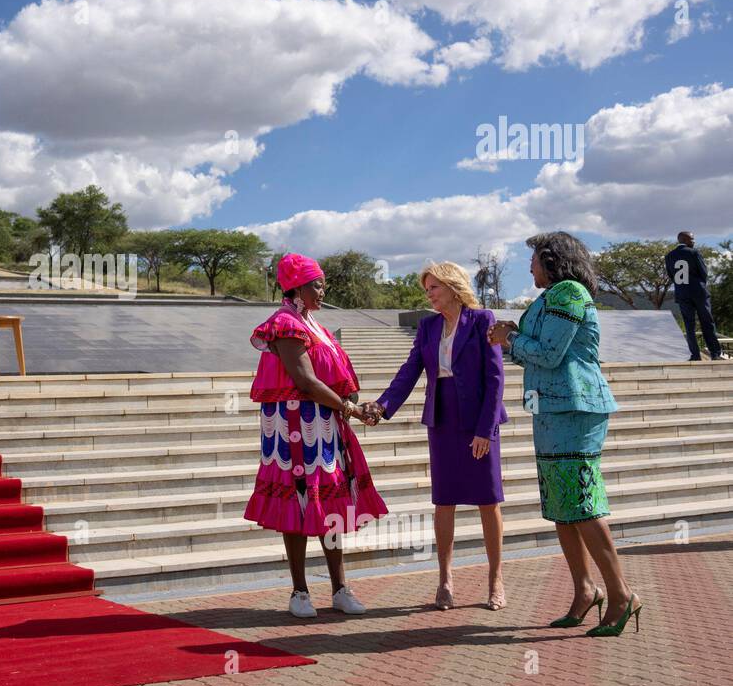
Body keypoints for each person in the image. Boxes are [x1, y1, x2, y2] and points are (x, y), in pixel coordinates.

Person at [489, 231, 640, 637]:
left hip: (577, 407)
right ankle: (585, 591)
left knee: (582, 502)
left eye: (536, 260)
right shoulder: (547, 298)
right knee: (560, 506)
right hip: (551, 409)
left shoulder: (569, 292)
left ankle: (622, 594)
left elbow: (550, 353)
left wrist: (511, 339)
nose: (531, 267)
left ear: (555, 261)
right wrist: (511, 337)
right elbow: (539, 347)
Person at [245, 252, 388, 618]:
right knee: (298, 502)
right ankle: (299, 592)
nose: (323, 289)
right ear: (298, 286)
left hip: (325, 425)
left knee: (329, 505)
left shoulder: (314, 325)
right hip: (294, 427)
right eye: (318, 284)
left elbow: (337, 378)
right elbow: (305, 381)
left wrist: (358, 404)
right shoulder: (284, 324)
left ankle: (340, 588)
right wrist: (351, 408)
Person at [362, 262, 509, 611]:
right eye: (427, 289)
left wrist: (485, 430)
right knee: (444, 501)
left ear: (453, 287)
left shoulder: (483, 320)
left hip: (478, 419)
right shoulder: (427, 326)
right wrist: (382, 406)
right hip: (441, 418)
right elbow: (410, 371)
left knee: (488, 500)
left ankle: (496, 579)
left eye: (434, 288)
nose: (429, 295)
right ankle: (445, 579)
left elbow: (495, 379)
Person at [664, 231, 724, 361]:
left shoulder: (669, 256)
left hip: (682, 293)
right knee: (707, 322)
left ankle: (695, 355)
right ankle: (715, 353)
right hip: (699, 292)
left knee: (689, 325)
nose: (694, 241)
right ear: (684, 239)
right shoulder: (694, 252)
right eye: (692, 239)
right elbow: (704, 273)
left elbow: (671, 275)